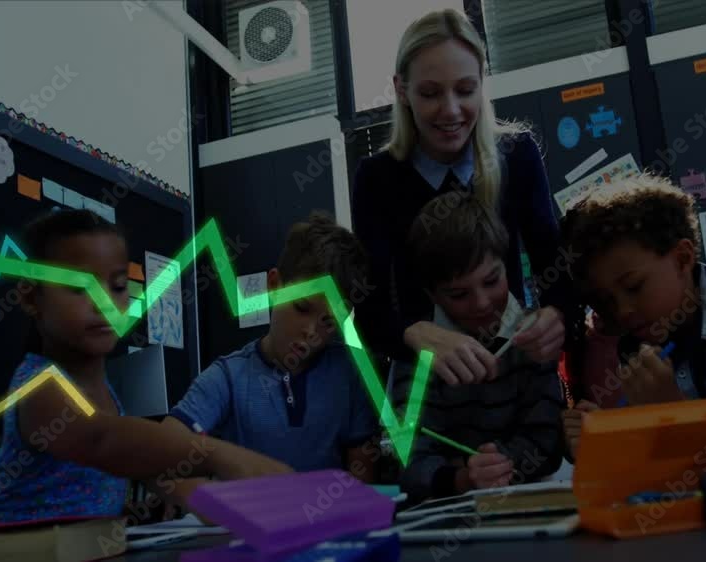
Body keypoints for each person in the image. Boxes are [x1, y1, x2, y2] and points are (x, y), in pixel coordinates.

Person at [0, 210, 290, 524]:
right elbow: (102, 440)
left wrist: (235, 507)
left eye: (117, 287)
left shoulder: (107, 396)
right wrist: (224, 456)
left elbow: (158, 474)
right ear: (32, 299)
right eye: (79, 287)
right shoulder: (40, 387)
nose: (105, 304)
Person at [351, 8, 572, 386]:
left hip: (514, 377)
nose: (451, 110)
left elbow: (555, 266)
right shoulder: (377, 178)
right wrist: (412, 334)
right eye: (430, 93)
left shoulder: (517, 156)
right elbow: (370, 312)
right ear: (401, 90)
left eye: (465, 90)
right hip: (425, 387)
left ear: (482, 84)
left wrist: (558, 314)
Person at [558, 175, 706, 460]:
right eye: (605, 301)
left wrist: (672, 411)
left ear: (682, 259)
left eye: (634, 286)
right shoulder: (629, 342)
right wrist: (609, 440)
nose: (621, 310)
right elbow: (659, 468)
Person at [168, 212, 381, 479]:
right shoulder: (228, 378)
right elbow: (164, 444)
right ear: (273, 284)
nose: (312, 333)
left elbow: (363, 481)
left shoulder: (350, 374)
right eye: (301, 307)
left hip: (330, 518)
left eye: (330, 321)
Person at [393, 193, 564, 501]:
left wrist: (492, 466)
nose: (482, 303)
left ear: (506, 265)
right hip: (448, 515)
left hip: (529, 504)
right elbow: (407, 464)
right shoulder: (418, 352)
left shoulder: (534, 336)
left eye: (491, 280)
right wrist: (462, 478)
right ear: (433, 296)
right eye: (459, 294)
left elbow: (548, 443)